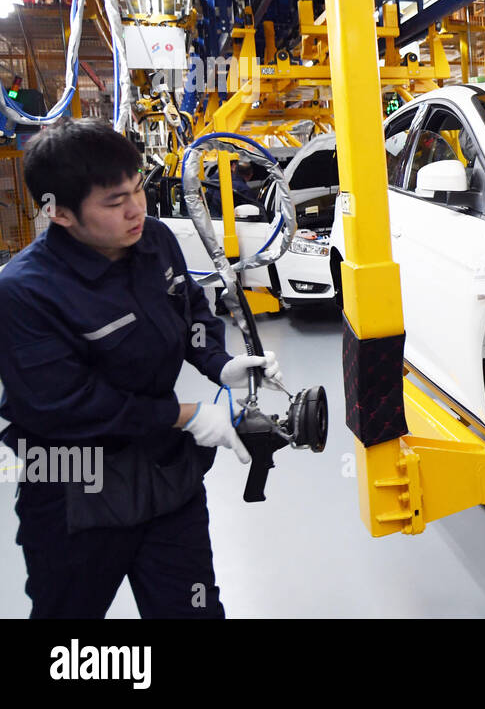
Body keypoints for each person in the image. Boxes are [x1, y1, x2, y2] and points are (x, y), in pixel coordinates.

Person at [0, 119, 281, 618]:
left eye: (138, 190)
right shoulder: (25, 292)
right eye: (114, 201)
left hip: (166, 475)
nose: (136, 210)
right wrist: (185, 414)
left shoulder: (152, 240)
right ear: (59, 213)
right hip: (75, 490)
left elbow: (189, 305)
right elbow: (67, 405)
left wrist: (220, 363)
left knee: (193, 609)